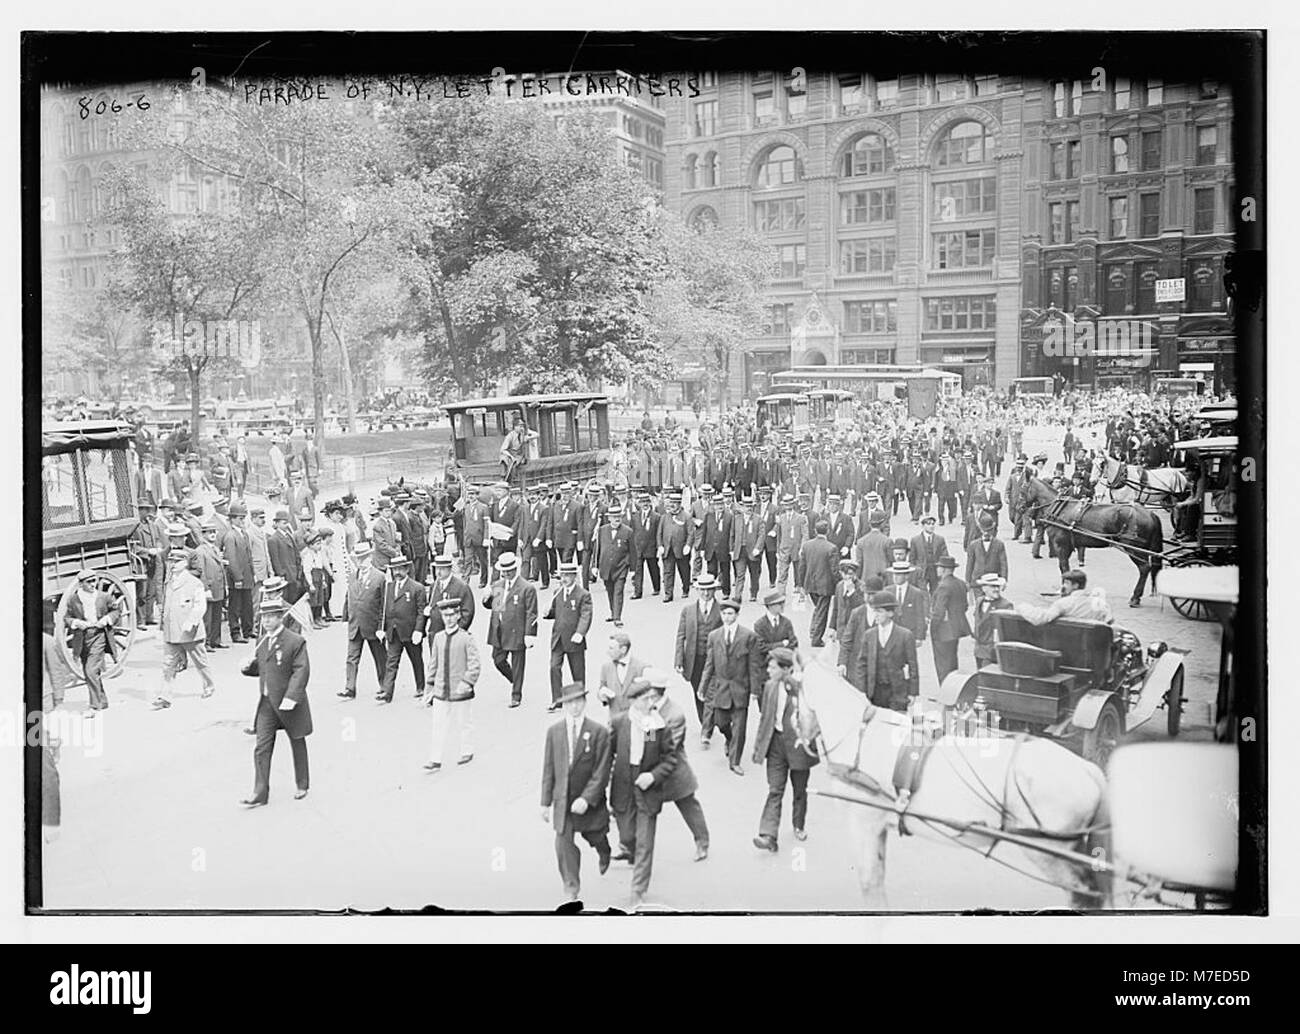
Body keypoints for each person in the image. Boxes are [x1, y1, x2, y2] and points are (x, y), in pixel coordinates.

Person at [609, 679, 678, 909]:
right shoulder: (620, 722)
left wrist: (653, 776)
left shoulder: (656, 726)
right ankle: (630, 850)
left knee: (645, 842)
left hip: (647, 787)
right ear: (634, 701)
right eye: (645, 698)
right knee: (628, 836)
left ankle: (637, 890)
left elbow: (669, 759)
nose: (651, 702)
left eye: (652, 697)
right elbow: (606, 755)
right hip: (623, 785)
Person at [540, 683, 613, 903]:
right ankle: (571, 885)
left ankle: (604, 850)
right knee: (563, 843)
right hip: (563, 801)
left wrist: (587, 798)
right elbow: (549, 768)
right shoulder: (554, 732)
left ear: (584, 702)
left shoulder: (598, 732)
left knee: (595, 835)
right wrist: (545, 803)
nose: (574, 706)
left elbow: (602, 772)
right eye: (569, 703)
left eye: (578, 701)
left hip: (589, 801)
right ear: (564, 706)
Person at [240, 599, 312, 807]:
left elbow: (301, 670)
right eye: (264, 617)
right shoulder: (262, 641)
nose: (267, 621)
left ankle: (302, 783)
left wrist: (292, 696)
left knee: (297, 740)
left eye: (271, 617)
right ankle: (260, 792)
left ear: (281, 617)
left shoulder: (295, 641)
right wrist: (247, 668)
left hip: (288, 701)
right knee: (261, 747)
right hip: (266, 703)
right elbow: (264, 668)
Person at [752, 648, 818, 851]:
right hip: (776, 745)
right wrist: (758, 747)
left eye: (773, 667)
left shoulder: (802, 688)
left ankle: (798, 825)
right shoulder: (770, 686)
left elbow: (812, 717)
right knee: (775, 790)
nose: (769, 671)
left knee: (799, 790)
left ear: (786, 668)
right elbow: (766, 718)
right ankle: (768, 835)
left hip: (798, 745)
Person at [643, 668, 709, 862]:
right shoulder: (647, 708)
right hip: (653, 770)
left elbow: (668, 748)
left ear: (654, 692)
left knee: (688, 806)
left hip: (674, 771)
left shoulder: (675, 714)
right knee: (643, 811)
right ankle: (633, 848)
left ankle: (702, 842)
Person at [698, 597, 763, 775]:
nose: (727, 617)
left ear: (737, 615)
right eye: (724, 614)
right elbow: (709, 664)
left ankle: (735, 761)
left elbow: (754, 666)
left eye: (731, 614)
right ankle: (729, 738)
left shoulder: (748, 636)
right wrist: (702, 687)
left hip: (741, 688)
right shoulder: (714, 636)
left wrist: (755, 690)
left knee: (740, 727)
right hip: (721, 689)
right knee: (721, 722)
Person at [153, 548, 215, 709]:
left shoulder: (194, 583)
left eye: (177, 561)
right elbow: (167, 607)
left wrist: (192, 622)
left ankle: (209, 685)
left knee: (201, 661)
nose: (173, 564)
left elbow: (200, 606)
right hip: (172, 631)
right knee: (168, 664)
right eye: (171, 561)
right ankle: (165, 696)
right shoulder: (169, 583)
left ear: (185, 563)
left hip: (190, 632)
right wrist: (162, 627)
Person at [424, 595, 480, 770]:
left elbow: (475, 665)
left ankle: (467, 751)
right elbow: (433, 664)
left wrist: (467, 682)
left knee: (464, 722)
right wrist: (429, 688)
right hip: (441, 690)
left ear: (458, 616)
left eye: (452, 615)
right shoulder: (439, 638)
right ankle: (435, 759)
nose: (448, 619)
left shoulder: (466, 638)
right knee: (438, 725)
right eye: (445, 616)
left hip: (460, 690)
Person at [64, 569, 122, 715]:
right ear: (81, 584)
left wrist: (106, 619)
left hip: (99, 635)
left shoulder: (104, 597)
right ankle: (102, 700)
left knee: (90, 670)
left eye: (94, 581)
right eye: (88, 582)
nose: (92, 584)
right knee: (90, 671)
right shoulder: (74, 599)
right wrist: (76, 622)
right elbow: (67, 617)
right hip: (82, 638)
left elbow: (116, 611)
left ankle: (94, 706)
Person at [484, 551, 538, 708]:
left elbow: (531, 613)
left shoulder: (526, 588)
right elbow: (496, 606)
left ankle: (516, 694)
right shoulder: (499, 585)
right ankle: (515, 680)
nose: (506, 573)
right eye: (503, 571)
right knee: (498, 660)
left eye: (509, 570)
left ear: (515, 569)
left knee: (518, 662)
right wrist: (487, 598)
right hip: (499, 629)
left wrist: (530, 634)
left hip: (517, 629)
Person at [847, 592, 918, 710]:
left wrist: (913, 692)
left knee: (896, 724)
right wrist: (861, 691)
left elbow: (913, 666)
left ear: (890, 613)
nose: (875, 615)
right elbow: (861, 664)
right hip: (874, 692)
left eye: (879, 611)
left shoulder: (905, 635)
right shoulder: (869, 635)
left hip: (897, 692)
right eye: (874, 611)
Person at [673, 572, 723, 728]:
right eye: (702, 590)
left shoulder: (722, 610)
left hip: (714, 659)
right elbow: (681, 636)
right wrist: (679, 660)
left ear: (714, 590)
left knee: (712, 690)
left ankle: (710, 720)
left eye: (709, 589)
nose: (706, 593)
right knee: (697, 690)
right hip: (694, 658)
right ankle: (705, 721)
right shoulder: (688, 610)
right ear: (697, 590)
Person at [339, 543, 387, 700]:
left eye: (364, 558)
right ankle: (349, 688)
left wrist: (382, 627)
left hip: (372, 625)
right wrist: (346, 616)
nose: (361, 562)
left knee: (380, 657)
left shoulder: (380, 577)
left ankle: (385, 686)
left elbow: (384, 605)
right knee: (351, 657)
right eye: (358, 559)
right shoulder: (353, 576)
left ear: (371, 557)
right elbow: (349, 596)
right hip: (355, 624)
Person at [378, 555, 427, 704]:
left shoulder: (417, 588)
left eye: (400, 569)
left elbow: (421, 611)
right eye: (394, 570)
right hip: (393, 631)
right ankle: (387, 691)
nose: (397, 572)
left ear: (406, 569)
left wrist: (419, 630)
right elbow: (383, 609)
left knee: (416, 660)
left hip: (410, 632)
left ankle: (420, 687)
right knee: (391, 662)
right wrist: (381, 627)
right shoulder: (388, 587)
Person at [544, 560, 592, 713]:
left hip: (574, 638)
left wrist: (580, 633)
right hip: (558, 637)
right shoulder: (557, 592)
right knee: (554, 668)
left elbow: (586, 615)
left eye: (567, 575)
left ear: (574, 576)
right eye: (561, 575)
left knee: (577, 672)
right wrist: (547, 613)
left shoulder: (583, 595)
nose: (563, 579)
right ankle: (557, 700)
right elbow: (556, 612)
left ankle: (579, 698)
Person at [1014, 569, 1114, 625]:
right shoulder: (1101, 604)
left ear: (1075, 585)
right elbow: (1110, 623)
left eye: (1066, 583)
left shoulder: (1064, 604)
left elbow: (1041, 618)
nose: (1063, 586)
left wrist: (1023, 607)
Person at [928, 556, 971, 682]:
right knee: (952, 661)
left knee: (942, 664)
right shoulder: (961, 583)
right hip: (956, 629)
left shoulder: (943, 586)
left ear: (945, 569)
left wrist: (933, 628)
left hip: (944, 630)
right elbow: (965, 606)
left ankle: (945, 692)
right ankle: (953, 690)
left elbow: (938, 612)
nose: (937, 569)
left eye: (939, 567)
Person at [799, 520, 839, 648]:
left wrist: (801, 584)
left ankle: (813, 631)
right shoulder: (831, 548)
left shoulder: (806, 546)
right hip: (825, 585)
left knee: (818, 609)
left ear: (815, 531)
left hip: (810, 583)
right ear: (827, 531)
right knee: (822, 611)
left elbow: (802, 567)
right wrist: (839, 584)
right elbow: (834, 570)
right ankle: (816, 639)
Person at [594, 500, 632, 628]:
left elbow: (633, 552)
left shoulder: (628, 531)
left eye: (619, 517)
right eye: (614, 517)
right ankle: (613, 612)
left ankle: (617, 617)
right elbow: (597, 550)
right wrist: (594, 566)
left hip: (621, 567)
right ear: (609, 518)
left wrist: (632, 569)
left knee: (618, 591)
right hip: (606, 567)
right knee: (610, 590)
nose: (617, 519)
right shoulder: (602, 530)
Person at [598, 630, 648, 719]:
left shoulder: (642, 668)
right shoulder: (606, 667)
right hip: (614, 721)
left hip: (636, 721)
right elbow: (602, 688)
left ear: (623, 649)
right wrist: (602, 696)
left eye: (611, 648)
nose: (607, 652)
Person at [425, 554, 475, 636]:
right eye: (437, 568)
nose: (438, 572)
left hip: (454, 634)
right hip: (435, 633)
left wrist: (456, 631)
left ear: (449, 569)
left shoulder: (462, 587)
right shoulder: (433, 586)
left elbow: (467, 614)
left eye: (442, 569)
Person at [972, 574, 1015, 668]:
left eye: (998, 586)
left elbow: (1009, 632)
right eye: (993, 586)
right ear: (984, 588)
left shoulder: (1006, 605)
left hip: (993, 653)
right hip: (979, 650)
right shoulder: (979, 601)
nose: (996, 589)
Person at [752, 588, 798, 666]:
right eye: (779, 604)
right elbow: (760, 647)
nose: (782, 606)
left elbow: (793, 643)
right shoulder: (759, 625)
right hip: (766, 663)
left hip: (785, 663)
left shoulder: (786, 622)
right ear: (770, 606)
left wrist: (773, 648)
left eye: (783, 603)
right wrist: (782, 644)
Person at [908, 514, 950, 597]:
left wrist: (942, 569)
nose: (931, 526)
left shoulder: (940, 539)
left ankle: (934, 608)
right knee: (923, 593)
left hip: (935, 571)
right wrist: (913, 571)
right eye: (928, 524)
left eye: (933, 524)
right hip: (922, 570)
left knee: (935, 592)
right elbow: (912, 558)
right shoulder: (915, 540)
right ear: (923, 526)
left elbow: (945, 556)